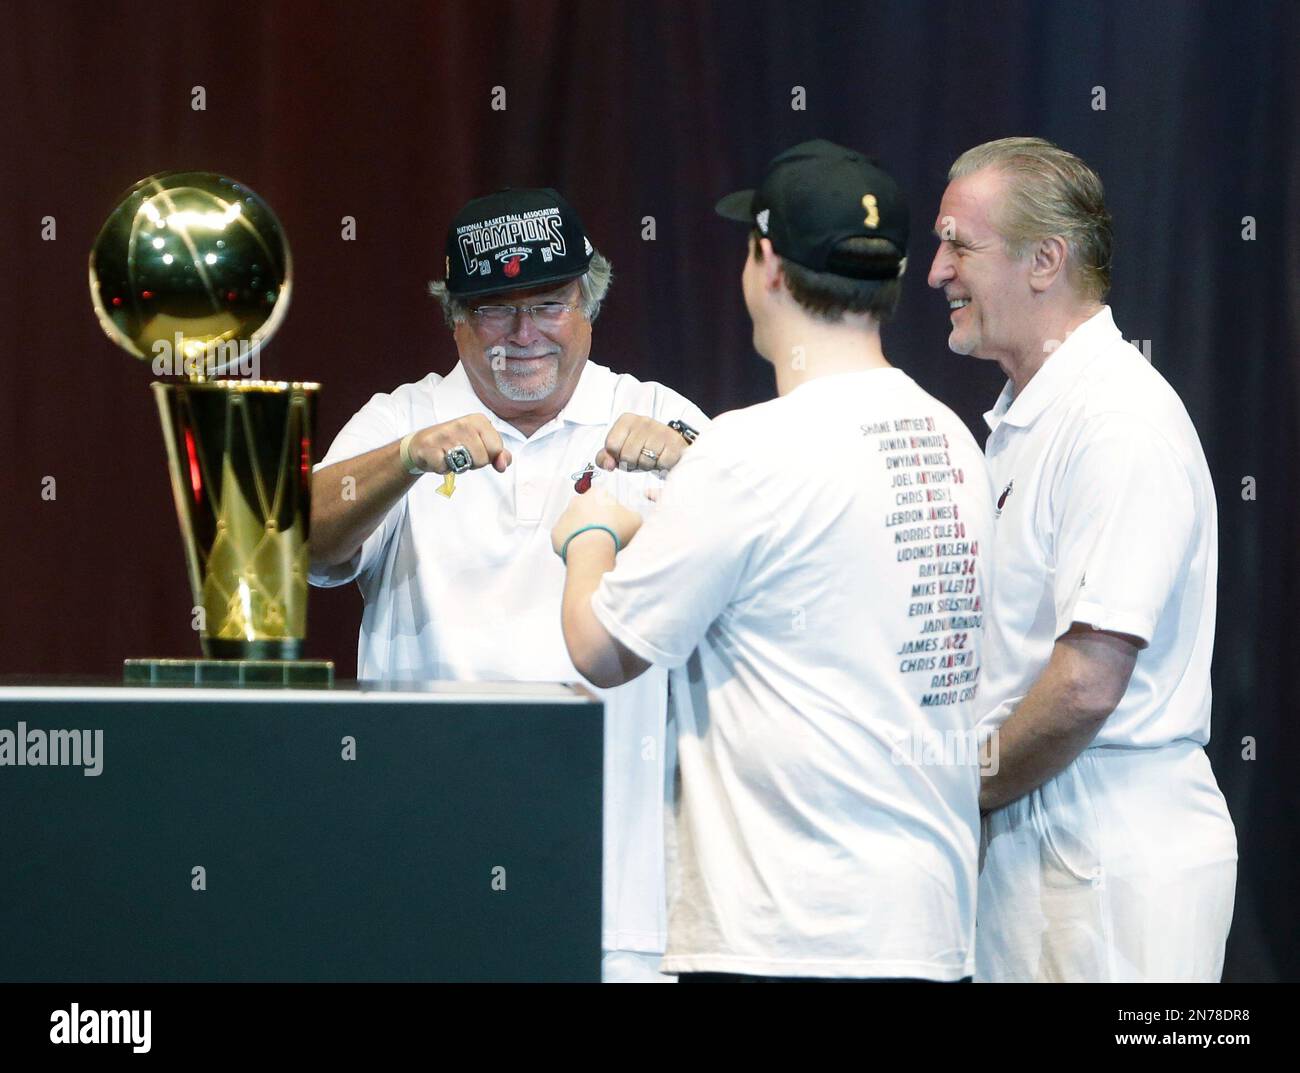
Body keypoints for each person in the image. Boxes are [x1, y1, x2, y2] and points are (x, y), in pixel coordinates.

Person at [550, 140, 994, 981]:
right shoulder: (955, 440)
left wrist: (590, 534)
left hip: (786, 935)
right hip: (927, 929)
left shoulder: (750, 450)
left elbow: (601, 650)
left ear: (767, 266)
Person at [308, 187, 709, 983]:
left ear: (589, 303)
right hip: (426, 883)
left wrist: (688, 462)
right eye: (495, 308)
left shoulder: (657, 413)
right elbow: (292, 544)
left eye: (550, 303)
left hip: (622, 899)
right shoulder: (406, 416)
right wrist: (407, 459)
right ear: (453, 316)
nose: (523, 334)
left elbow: (763, 575)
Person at [926, 136, 1237, 982]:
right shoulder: (1033, 418)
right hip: (1040, 844)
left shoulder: (1116, 421)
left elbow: (1086, 683)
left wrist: (957, 787)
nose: (936, 272)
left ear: (1045, 260)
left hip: (1108, 855)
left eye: (958, 243)